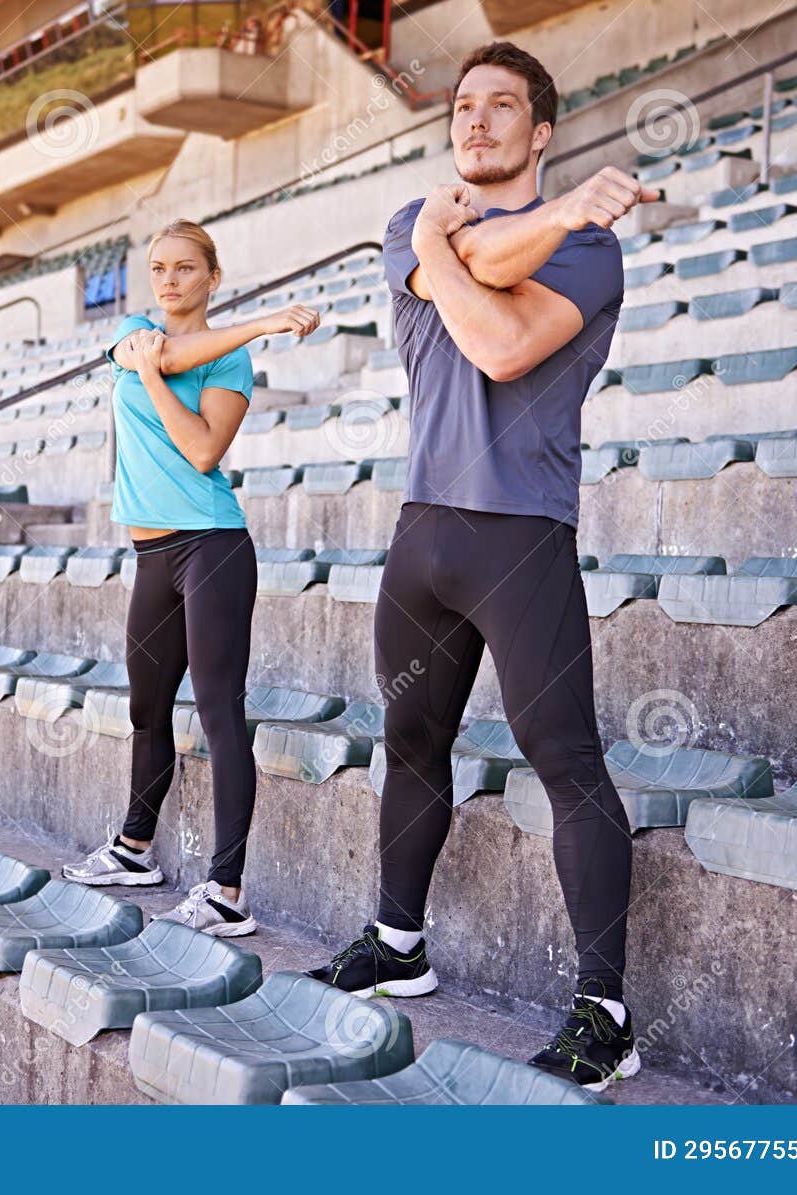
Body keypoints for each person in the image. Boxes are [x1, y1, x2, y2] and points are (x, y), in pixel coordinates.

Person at [304, 41, 659, 1091]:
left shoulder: (588, 253)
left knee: (565, 760)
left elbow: (502, 346)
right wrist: (464, 236)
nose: (478, 120)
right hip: (424, 534)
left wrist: (448, 246)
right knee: (409, 739)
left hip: (519, 533)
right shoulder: (411, 225)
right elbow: (486, 284)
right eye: (464, 105)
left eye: (503, 107)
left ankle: (605, 1011)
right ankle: (398, 940)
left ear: (540, 130)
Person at [63, 219, 319, 938]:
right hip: (151, 556)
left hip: (212, 547)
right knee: (147, 709)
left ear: (212, 276)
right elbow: (163, 354)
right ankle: (135, 848)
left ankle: (227, 889)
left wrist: (158, 371)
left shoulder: (230, 364)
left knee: (218, 712)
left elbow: (203, 450)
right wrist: (259, 323)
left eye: (185, 267)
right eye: (158, 267)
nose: (169, 279)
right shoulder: (136, 334)